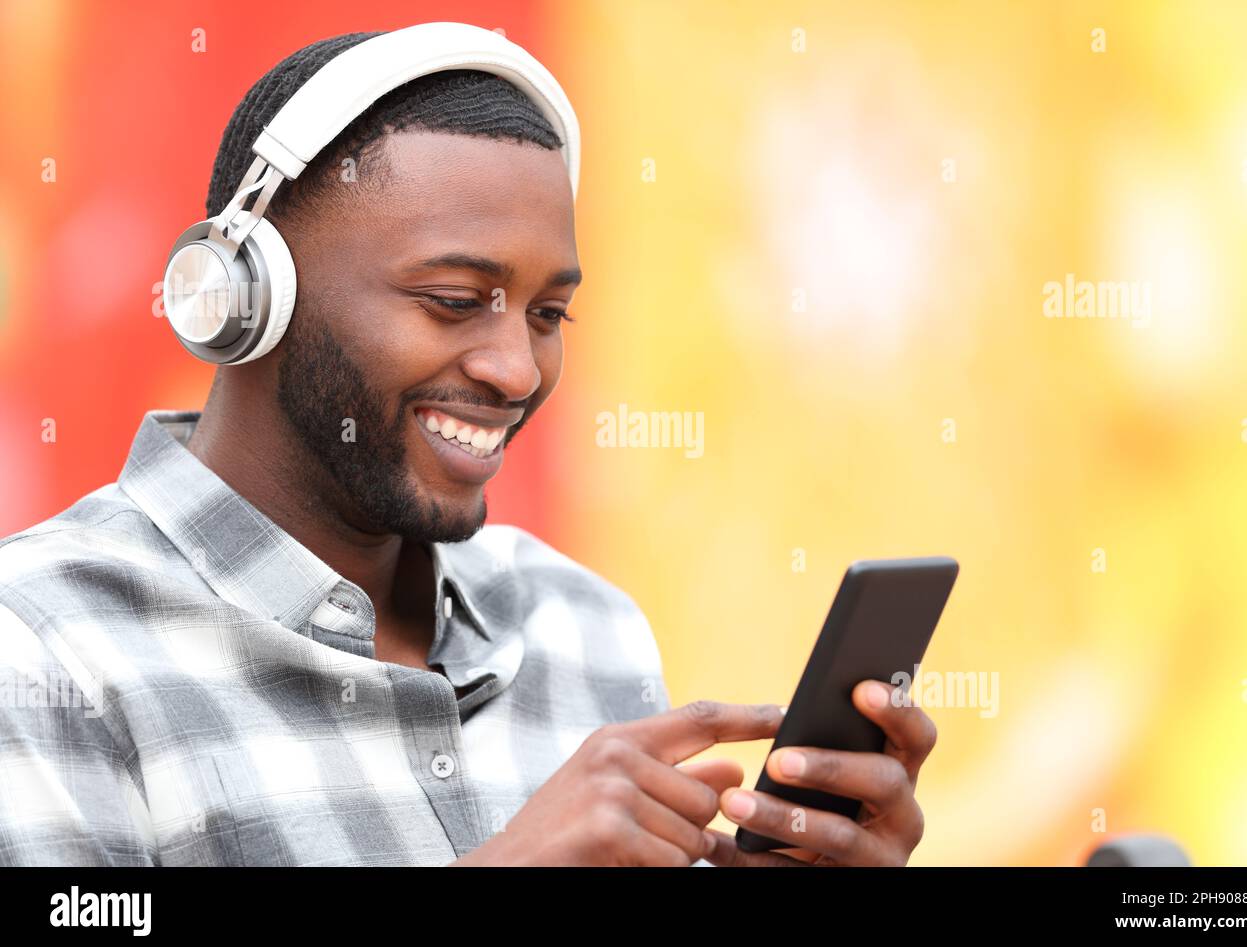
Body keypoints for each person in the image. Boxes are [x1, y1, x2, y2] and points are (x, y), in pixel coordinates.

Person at [0, 27, 934, 866]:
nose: (518, 371)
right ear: (242, 299)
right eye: (453, 301)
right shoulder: (41, 648)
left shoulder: (584, 625)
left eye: (548, 315)